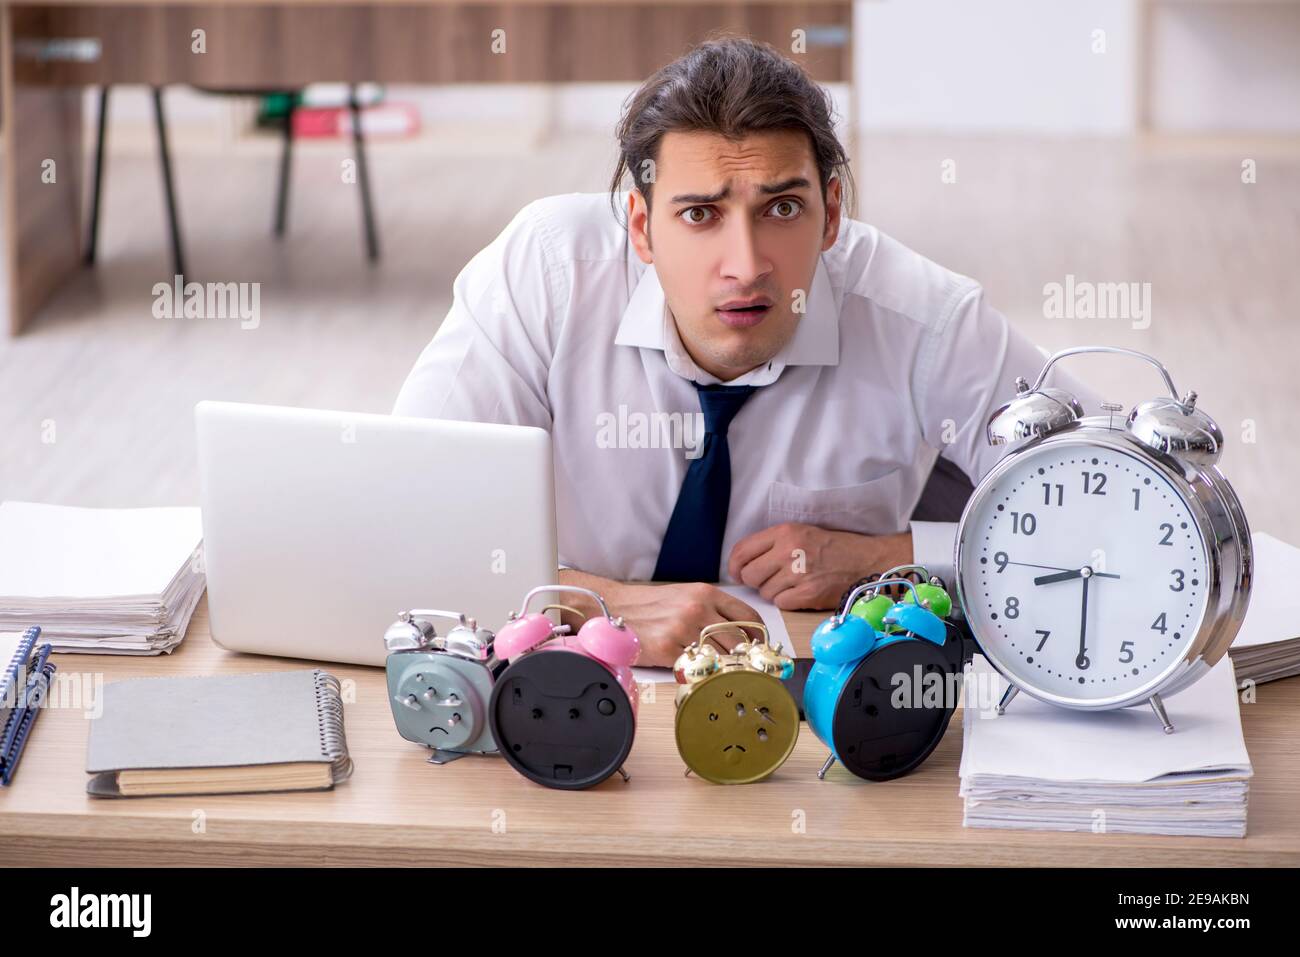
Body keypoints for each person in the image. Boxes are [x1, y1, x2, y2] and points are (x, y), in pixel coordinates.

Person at [394, 36, 1097, 666]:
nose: (746, 264)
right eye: (699, 214)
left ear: (831, 215)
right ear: (640, 228)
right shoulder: (542, 271)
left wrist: (895, 559)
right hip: (561, 693)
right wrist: (598, 603)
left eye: (782, 208)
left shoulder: (922, 317)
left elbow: (1123, 502)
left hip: (820, 723)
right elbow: (413, 510)